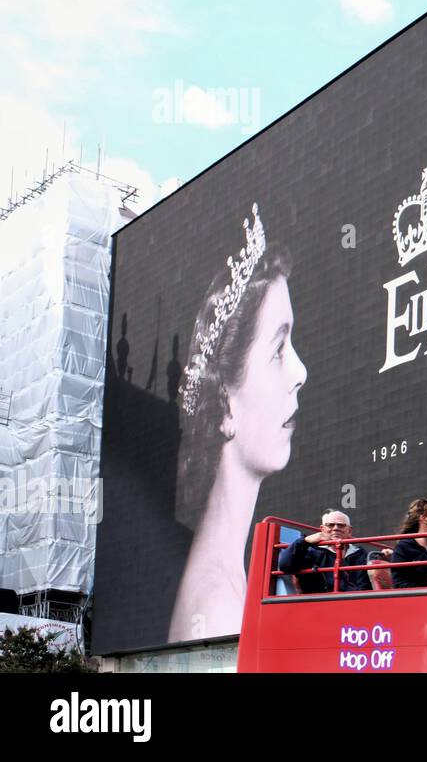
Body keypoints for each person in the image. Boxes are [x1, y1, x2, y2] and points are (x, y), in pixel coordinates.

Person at [168, 204, 308, 642]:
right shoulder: (220, 608)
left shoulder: (225, 577)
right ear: (225, 405)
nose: (300, 371)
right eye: (278, 348)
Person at [277, 509, 374, 594]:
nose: (336, 528)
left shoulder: (360, 553)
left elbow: (366, 584)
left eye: (341, 525)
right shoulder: (312, 552)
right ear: (322, 529)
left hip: (358, 603)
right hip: (322, 605)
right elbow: (285, 565)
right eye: (331, 525)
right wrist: (304, 541)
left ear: (349, 531)